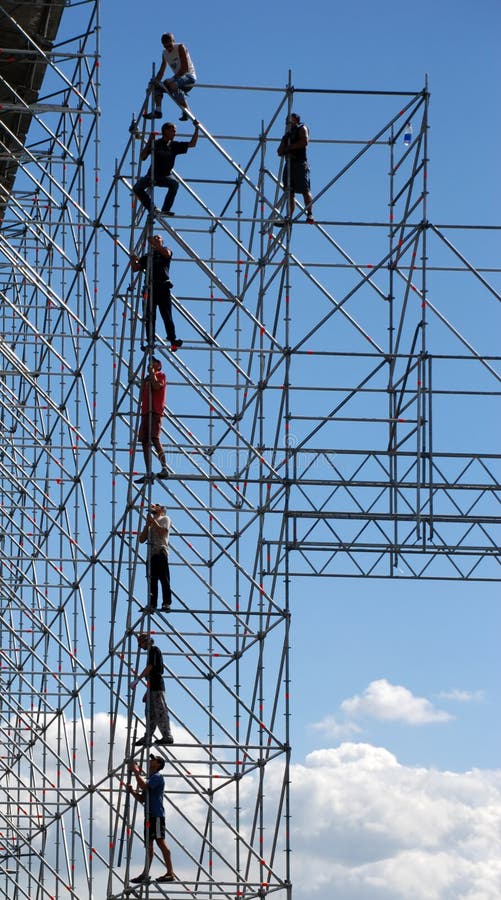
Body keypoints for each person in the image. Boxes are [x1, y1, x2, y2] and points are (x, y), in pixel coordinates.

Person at [133, 120, 199, 216]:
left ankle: (165, 210)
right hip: (152, 175)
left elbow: (192, 144)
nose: (174, 133)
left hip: (165, 175)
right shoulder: (156, 143)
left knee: (174, 184)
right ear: (165, 131)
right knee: (137, 188)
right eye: (172, 131)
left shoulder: (174, 145)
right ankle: (153, 209)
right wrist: (149, 142)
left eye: (174, 131)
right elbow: (142, 157)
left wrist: (197, 129)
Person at [127, 755, 176, 884]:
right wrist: (132, 792)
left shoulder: (157, 777)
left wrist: (137, 773)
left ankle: (170, 872)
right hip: (149, 815)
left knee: (160, 842)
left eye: (153, 760)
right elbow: (143, 798)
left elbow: (144, 786)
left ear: (158, 764)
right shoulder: (151, 779)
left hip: (156, 815)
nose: (150, 761)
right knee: (149, 845)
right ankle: (145, 873)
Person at [131, 234, 182, 352]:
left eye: (159, 237)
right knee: (149, 316)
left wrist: (156, 244)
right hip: (150, 287)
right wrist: (133, 258)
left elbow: (167, 254)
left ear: (162, 241)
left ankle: (172, 339)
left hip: (163, 286)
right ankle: (150, 340)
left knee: (167, 315)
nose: (156, 239)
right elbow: (135, 268)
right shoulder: (147, 256)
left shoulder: (165, 251)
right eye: (155, 238)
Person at [132, 633, 174, 746]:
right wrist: (147, 691)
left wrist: (137, 680)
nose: (140, 646)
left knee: (160, 711)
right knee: (150, 713)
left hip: (157, 686)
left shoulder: (154, 650)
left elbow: (150, 667)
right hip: (152, 686)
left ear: (146, 641)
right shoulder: (151, 652)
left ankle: (167, 736)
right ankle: (148, 736)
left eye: (141, 643)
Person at [146, 32, 197, 122]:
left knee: (173, 85)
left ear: (173, 41)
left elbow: (185, 68)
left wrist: (172, 79)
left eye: (170, 45)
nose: (168, 49)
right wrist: (155, 82)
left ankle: (186, 111)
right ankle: (158, 111)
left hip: (188, 76)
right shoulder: (165, 53)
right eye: (166, 47)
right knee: (158, 87)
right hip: (177, 79)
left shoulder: (180, 47)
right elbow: (162, 70)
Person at [277, 113, 314, 223]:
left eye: (290, 121)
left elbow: (304, 141)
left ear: (296, 120)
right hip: (289, 164)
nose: (288, 124)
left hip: (299, 162)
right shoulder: (288, 135)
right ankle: (289, 216)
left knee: (304, 189)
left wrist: (290, 147)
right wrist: (285, 141)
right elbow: (279, 152)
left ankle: (310, 214)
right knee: (289, 192)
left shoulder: (302, 128)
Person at [137, 357, 168, 479]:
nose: (150, 364)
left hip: (155, 411)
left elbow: (156, 387)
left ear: (158, 365)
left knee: (155, 438)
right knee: (144, 441)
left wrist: (151, 374)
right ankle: (148, 471)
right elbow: (141, 396)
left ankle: (164, 467)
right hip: (145, 411)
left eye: (153, 361)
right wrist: (145, 381)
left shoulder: (161, 376)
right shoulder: (147, 379)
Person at [139, 502, 172, 611]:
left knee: (164, 579)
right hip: (151, 554)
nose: (153, 506)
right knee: (152, 580)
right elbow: (141, 539)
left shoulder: (165, 518)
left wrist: (153, 521)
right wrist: (147, 525)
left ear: (162, 509)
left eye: (156, 505)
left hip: (161, 551)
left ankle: (166, 603)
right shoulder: (150, 523)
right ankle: (152, 604)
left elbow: (163, 532)